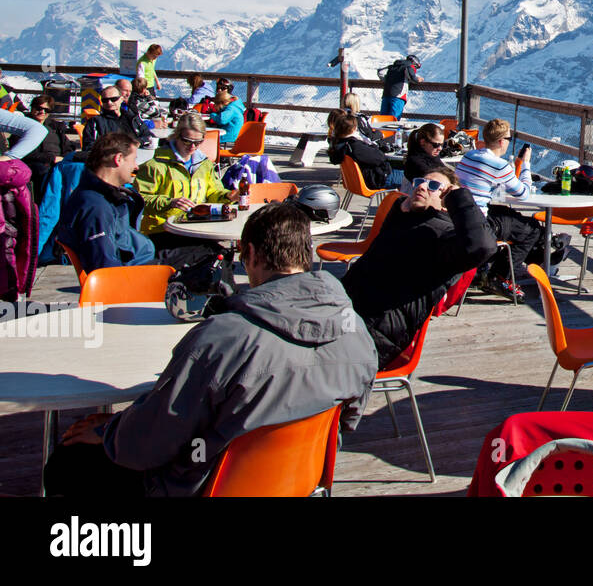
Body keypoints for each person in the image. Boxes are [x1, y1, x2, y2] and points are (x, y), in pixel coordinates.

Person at [42, 201, 379, 497]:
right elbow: (346, 420)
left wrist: (107, 431)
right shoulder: (355, 329)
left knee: (66, 465)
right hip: (298, 478)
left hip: (206, 483)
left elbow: (149, 444)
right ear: (304, 254)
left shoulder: (221, 338)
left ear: (250, 254)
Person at [342, 163, 495, 368]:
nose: (422, 187)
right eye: (420, 182)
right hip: (347, 311)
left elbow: (481, 246)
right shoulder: (407, 220)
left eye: (433, 185)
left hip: (371, 331)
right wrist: (399, 208)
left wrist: (459, 198)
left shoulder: (444, 237)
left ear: (445, 204)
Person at [457, 118, 567, 300]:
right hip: (481, 222)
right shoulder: (498, 165)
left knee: (515, 217)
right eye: (508, 139)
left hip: (463, 216)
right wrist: (525, 164)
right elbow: (523, 194)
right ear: (501, 142)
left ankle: (501, 267)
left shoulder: (469, 155)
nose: (509, 142)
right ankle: (498, 277)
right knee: (531, 229)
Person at [133, 113, 233, 261]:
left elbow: (213, 193)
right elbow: (139, 199)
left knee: (222, 256)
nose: (193, 147)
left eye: (198, 142)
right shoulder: (156, 164)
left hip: (195, 229)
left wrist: (228, 196)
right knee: (210, 258)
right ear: (177, 136)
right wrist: (169, 202)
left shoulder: (204, 164)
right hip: (162, 231)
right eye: (187, 141)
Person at [55, 132, 155, 271]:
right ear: (119, 159)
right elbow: (105, 266)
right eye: (133, 159)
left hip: (138, 260)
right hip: (134, 275)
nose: (136, 166)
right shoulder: (96, 207)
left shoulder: (102, 196)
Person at [328, 114, 401, 189]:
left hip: (362, 179)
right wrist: (371, 145)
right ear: (353, 129)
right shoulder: (354, 146)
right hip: (377, 179)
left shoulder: (339, 144)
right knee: (410, 177)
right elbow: (380, 158)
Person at [23, 95, 71, 204]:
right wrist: (51, 158)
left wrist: (67, 157)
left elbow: (67, 146)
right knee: (44, 171)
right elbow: (24, 153)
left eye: (46, 109)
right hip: (37, 163)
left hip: (59, 162)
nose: (42, 112)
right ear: (32, 108)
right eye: (39, 108)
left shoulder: (55, 127)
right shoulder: (23, 125)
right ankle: (43, 206)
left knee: (77, 169)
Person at [82, 82, 153, 151]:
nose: (109, 102)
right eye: (105, 100)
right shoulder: (96, 122)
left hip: (136, 156)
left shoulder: (132, 118)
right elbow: (89, 147)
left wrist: (138, 142)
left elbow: (147, 135)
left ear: (121, 99)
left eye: (113, 99)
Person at [380, 55, 421, 119]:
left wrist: (388, 79)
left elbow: (380, 72)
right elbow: (413, 78)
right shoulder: (408, 66)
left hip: (386, 94)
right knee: (393, 120)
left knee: (382, 120)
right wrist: (418, 79)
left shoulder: (392, 66)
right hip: (398, 95)